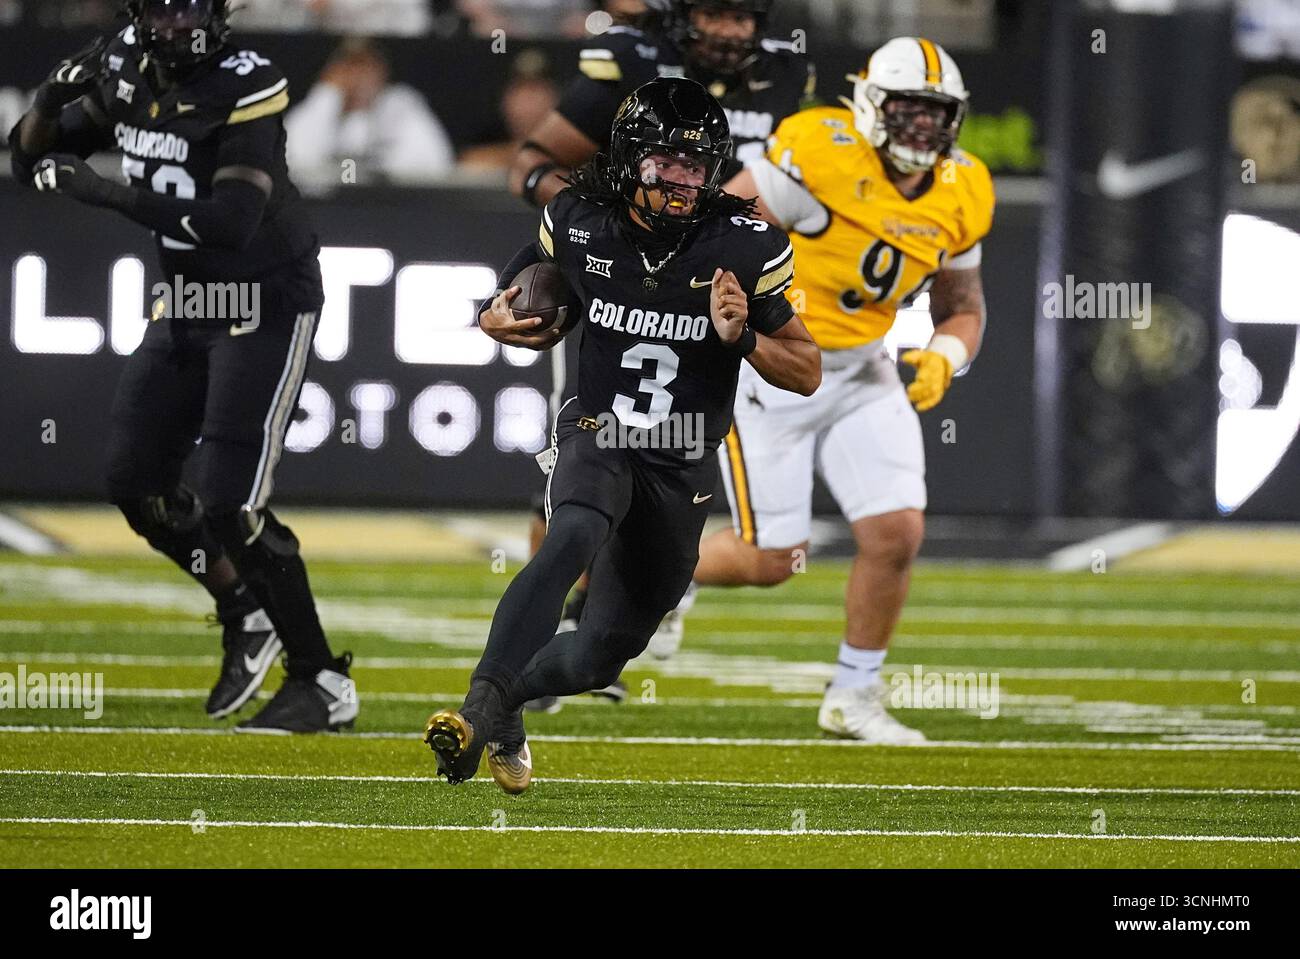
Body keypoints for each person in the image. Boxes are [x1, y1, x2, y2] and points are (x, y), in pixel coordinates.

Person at [425, 77, 820, 792]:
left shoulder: (744, 244)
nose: (681, 182)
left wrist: (742, 338)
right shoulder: (581, 218)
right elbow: (516, 290)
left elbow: (807, 370)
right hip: (599, 427)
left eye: (695, 166)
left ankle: (510, 704)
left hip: (682, 456)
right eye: (666, 162)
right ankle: (477, 709)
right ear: (632, 157)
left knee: (598, 656)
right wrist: (494, 315)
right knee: (573, 531)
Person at [8, 0, 358, 732]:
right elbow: (29, 158)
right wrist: (45, 101)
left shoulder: (246, 81)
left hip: (264, 298)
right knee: (134, 480)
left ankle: (322, 679)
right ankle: (242, 609)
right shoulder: (125, 66)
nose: (175, 25)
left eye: (190, 8)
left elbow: (230, 222)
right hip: (190, 299)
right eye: (162, 10)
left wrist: (103, 190)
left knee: (231, 503)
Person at [673, 37, 995, 742]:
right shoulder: (821, 151)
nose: (924, 127)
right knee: (771, 561)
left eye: (937, 113)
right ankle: (665, 570)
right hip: (779, 368)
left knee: (896, 533)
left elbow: (963, 305)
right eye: (909, 110)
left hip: (863, 370)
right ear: (872, 105)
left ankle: (853, 694)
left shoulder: (965, 186)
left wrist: (945, 355)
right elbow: (711, 231)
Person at [510, 0, 816, 700]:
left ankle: (626, 604)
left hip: (725, 291)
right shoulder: (632, 60)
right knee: (576, 468)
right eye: (717, 13)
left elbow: (794, 180)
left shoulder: (786, 73)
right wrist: (606, 227)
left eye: (744, 17)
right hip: (626, 284)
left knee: (683, 470)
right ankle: (544, 638)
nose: (732, 31)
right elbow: (533, 162)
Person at [284, 36, 455, 189]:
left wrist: (373, 172)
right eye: (350, 68)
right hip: (326, 208)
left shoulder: (400, 105)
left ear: (382, 72)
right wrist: (326, 96)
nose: (358, 78)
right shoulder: (320, 106)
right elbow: (292, 160)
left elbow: (436, 163)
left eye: (366, 68)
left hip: (386, 206)